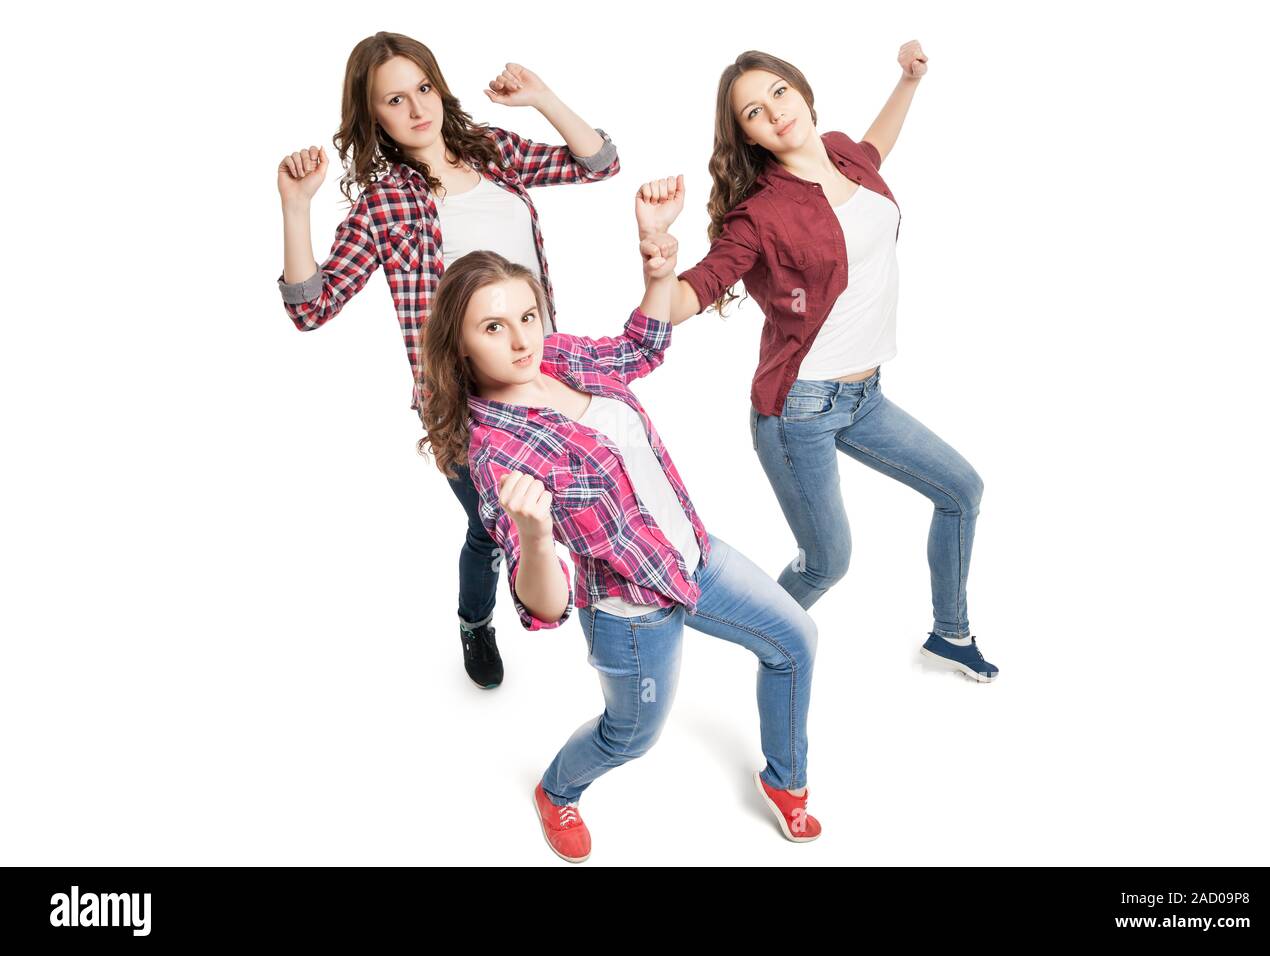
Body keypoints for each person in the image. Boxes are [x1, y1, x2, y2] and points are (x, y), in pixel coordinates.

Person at [415, 206, 821, 862]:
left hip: (692, 553)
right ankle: (557, 790)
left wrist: (658, 272)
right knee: (631, 735)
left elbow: (639, 350)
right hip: (631, 611)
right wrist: (537, 536)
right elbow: (541, 608)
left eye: (527, 315)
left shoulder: (557, 354)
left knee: (795, 641)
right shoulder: (496, 449)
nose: (521, 340)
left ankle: (785, 780)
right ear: (461, 345)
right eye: (493, 327)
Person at [634, 44, 998, 682]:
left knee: (961, 491)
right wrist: (660, 268)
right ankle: (744, 631)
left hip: (865, 400)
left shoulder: (842, 153)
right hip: (799, 410)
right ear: (745, 135)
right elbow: (698, 289)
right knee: (827, 563)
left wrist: (907, 82)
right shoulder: (759, 214)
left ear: (799, 90)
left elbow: (875, 144)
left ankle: (950, 634)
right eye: (753, 111)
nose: (774, 112)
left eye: (778, 92)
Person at [275, 32, 620, 688]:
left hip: (542, 378)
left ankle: (613, 627)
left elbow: (597, 163)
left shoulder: (492, 152)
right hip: (461, 407)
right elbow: (310, 308)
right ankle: (475, 621)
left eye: (423, 89)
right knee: (491, 526)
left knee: (578, 503)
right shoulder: (384, 204)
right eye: (394, 100)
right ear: (372, 115)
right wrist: (296, 208)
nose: (416, 109)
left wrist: (542, 97)